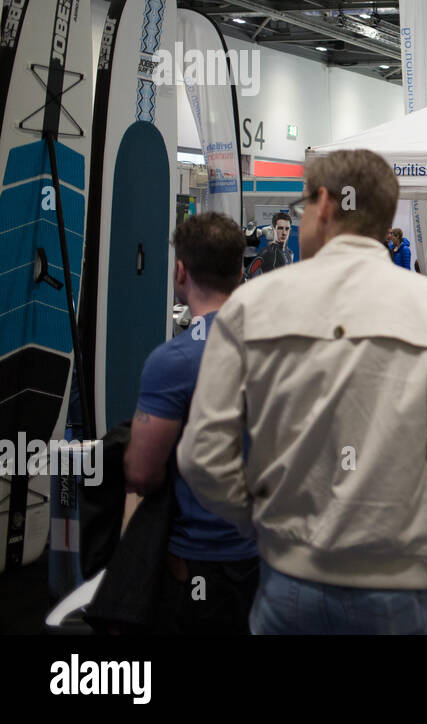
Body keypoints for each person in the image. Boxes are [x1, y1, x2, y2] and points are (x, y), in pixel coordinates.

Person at [178, 149, 427, 634]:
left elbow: (203, 455)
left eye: (306, 205)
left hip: (290, 584)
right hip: (405, 588)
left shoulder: (251, 306)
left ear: (325, 204)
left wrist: (265, 524)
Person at [124, 213, 259, 634]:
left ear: (180, 271)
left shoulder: (173, 361)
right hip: (272, 561)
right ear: (240, 271)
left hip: (199, 562)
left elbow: (142, 473)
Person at [247, 212, 294, 279]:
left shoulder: (289, 253)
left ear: (290, 231)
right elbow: (247, 274)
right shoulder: (267, 252)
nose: (284, 233)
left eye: (287, 229)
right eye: (280, 228)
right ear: (273, 230)